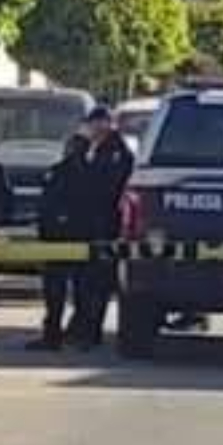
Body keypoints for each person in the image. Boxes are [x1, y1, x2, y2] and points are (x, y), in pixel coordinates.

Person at [65, 107, 135, 349]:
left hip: (103, 227)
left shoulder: (115, 153)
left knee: (96, 283)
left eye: (94, 125)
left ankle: (89, 332)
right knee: (86, 282)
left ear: (105, 124)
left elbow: (102, 189)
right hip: (92, 225)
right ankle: (81, 328)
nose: (90, 130)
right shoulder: (99, 150)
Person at [28, 133, 92, 351]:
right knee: (81, 290)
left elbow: (47, 205)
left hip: (59, 238)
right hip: (82, 237)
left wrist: (45, 231)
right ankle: (77, 335)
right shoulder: (92, 173)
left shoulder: (60, 172)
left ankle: (56, 335)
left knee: (57, 290)